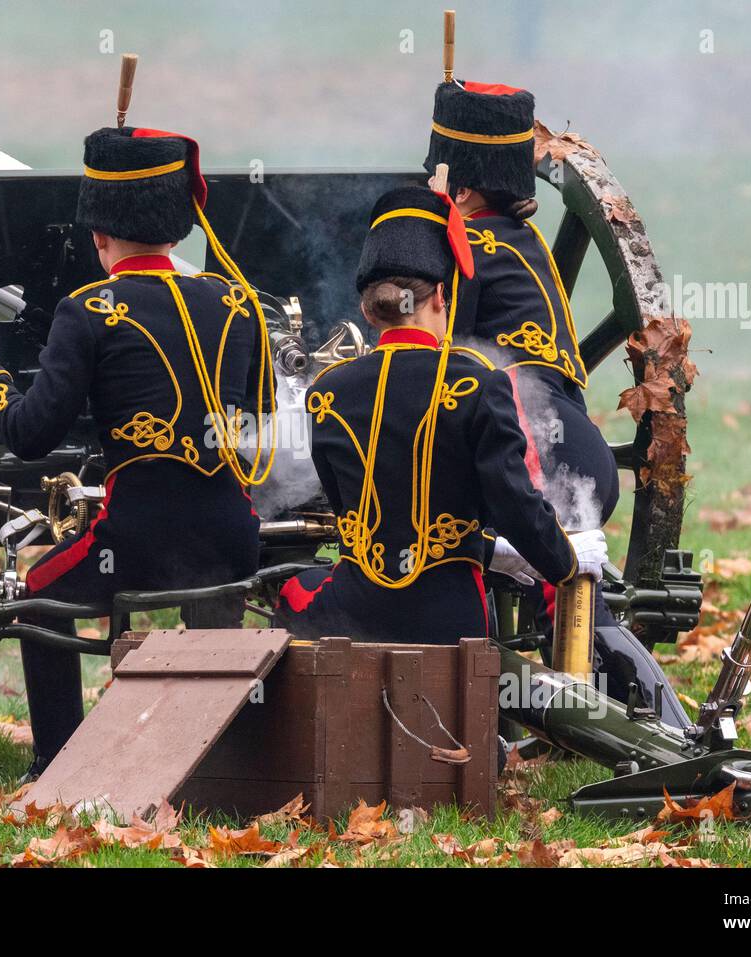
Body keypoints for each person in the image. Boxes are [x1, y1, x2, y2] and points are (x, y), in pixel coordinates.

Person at [0, 124, 276, 779]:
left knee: (38, 591)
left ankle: (58, 763)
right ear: (176, 229)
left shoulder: (87, 310)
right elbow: (263, 414)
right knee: (208, 569)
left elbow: (30, 434)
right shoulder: (237, 301)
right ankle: (220, 764)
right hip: (233, 538)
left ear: (99, 235)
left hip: (135, 545)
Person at [423, 77, 688, 724]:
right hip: (573, 451)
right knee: (570, 610)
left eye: (440, 179)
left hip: (538, 461)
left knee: (575, 616)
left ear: (461, 189)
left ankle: (657, 730)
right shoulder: (523, 242)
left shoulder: (464, 250)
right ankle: (615, 720)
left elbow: (428, 364)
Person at [274, 185, 607, 644]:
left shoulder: (325, 393)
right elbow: (513, 505)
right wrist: (566, 561)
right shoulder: (481, 385)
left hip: (353, 615)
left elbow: (356, 516)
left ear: (368, 311)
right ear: (440, 297)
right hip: (453, 622)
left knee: (293, 590)